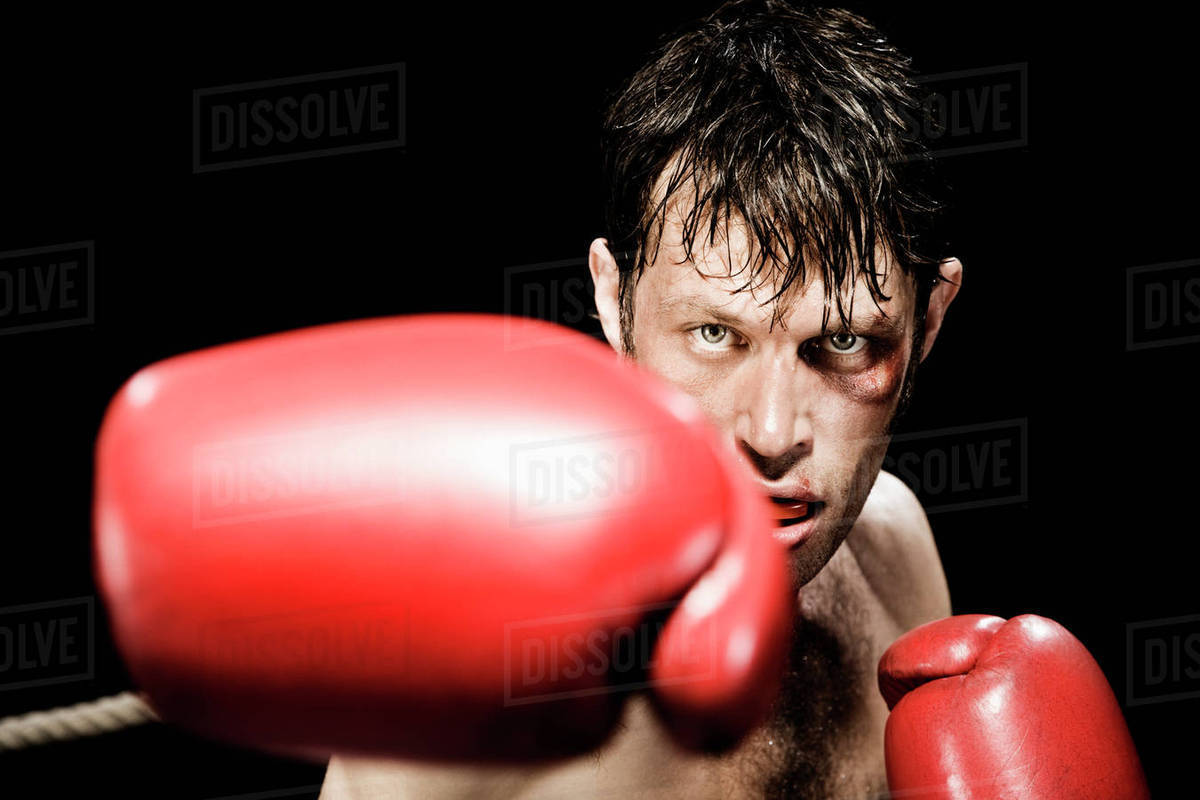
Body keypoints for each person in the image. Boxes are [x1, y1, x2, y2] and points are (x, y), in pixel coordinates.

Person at [323, 2, 958, 796]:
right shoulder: (477, 690)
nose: (770, 431)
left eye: (840, 345)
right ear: (612, 303)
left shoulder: (892, 551)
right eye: (714, 335)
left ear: (929, 321)